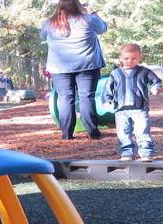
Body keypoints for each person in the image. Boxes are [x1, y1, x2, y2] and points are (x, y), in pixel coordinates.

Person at [40, 0, 108, 141]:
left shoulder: (49, 23)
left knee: (65, 98)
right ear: (78, 5)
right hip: (87, 66)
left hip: (59, 68)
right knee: (87, 97)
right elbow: (103, 28)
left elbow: (43, 36)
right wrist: (93, 12)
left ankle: (67, 134)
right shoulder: (89, 20)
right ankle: (93, 132)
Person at [101, 43, 163, 162]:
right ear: (120, 58)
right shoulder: (115, 74)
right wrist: (107, 100)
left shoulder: (144, 72)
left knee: (142, 130)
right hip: (121, 109)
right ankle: (127, 152)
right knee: (123, 132)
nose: (130, 61)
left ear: (139, 58)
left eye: (134, 58)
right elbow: (108, 89)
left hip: (140, 108)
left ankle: (146, 152)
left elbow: (157, 82)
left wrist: (157, 88)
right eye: (126, 58)